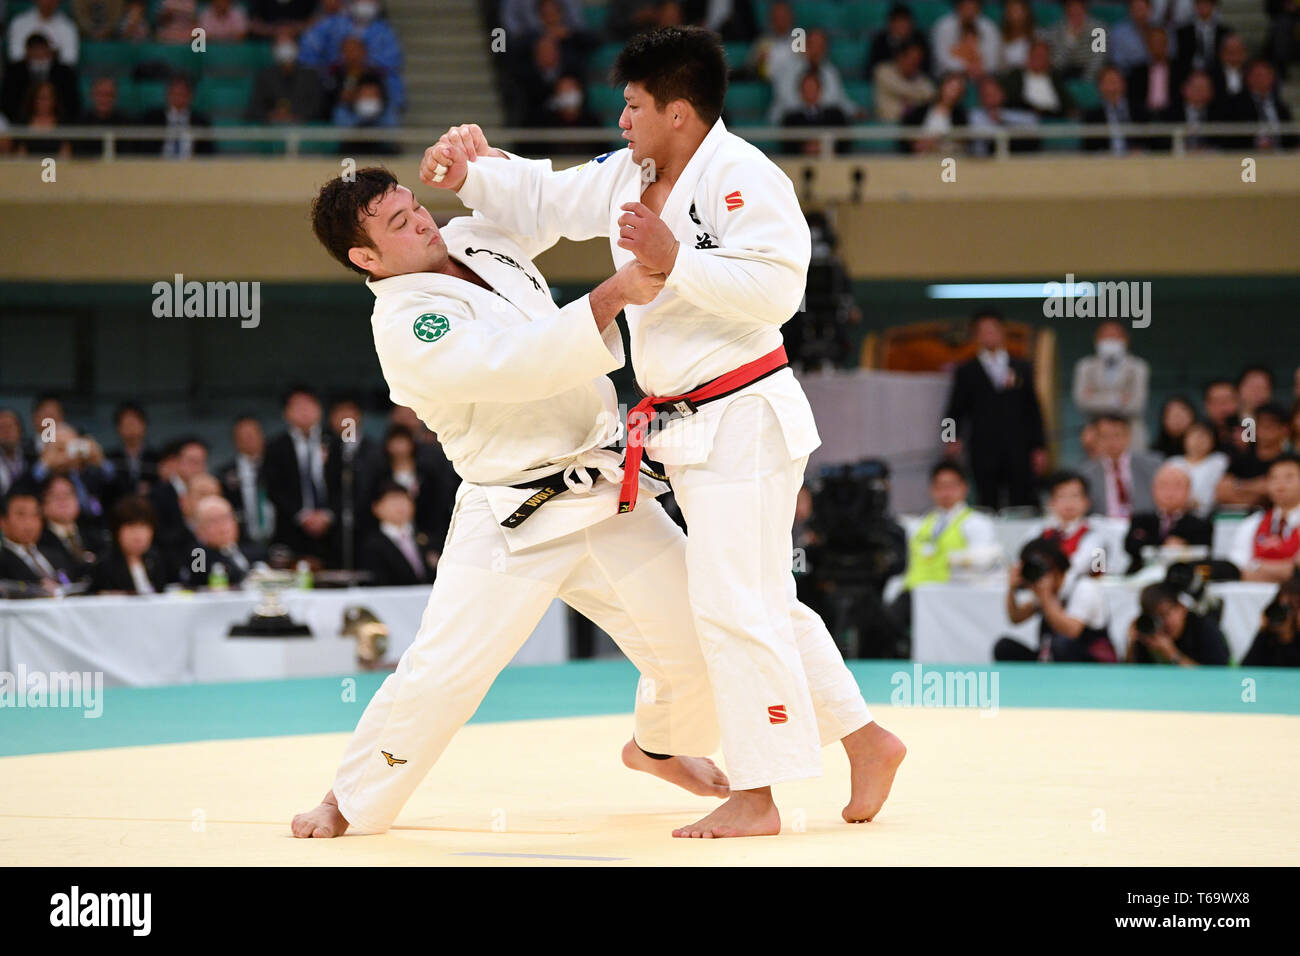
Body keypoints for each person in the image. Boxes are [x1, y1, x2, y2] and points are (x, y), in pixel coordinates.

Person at [422, 26, 905, 839]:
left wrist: (678, 260)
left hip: (744, 415)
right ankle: (866, 738)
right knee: (759, 597)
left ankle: (759, 790)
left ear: (680, 113)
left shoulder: (745, 178)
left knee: (731, 603)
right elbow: (545, 200)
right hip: (689, 428)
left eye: (634, 105)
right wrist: (472, 171)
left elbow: (780, 292)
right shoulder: (630, 174)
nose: (622, 118)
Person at [293, 166, 734, 839]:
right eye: (398, 224)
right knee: (445, 671)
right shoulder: (406, 323)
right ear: (366, 257)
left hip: (604, 490)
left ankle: (659, 746)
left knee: (701, 640)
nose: (421, 221)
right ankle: (348, 799)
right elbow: (514, 362)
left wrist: (479, 163)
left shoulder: (475, 237)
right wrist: (614, 293)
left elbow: (542, 206)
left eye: (416, 206)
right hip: (514, 513)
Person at [943, 308, 1048, 510]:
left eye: (993, 330)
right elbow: (953, 410)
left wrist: (1039, 447)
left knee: (1022, 498)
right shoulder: (966, 370)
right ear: (976, 336)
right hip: (983, 448)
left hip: (1018, 447)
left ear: (1002, 332)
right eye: (983, 331)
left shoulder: (1021, 367)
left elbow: (1033, 410)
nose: (988, 335)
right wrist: (950, 440)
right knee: (987, 500)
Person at [889, 461, 997, 632]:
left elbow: (982, 564)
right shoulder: (920, 524)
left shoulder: (976, 523)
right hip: (915, 593)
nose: (945, 492)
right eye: (940, 486)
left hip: (952, 595)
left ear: (964, 488)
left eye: (951, 486)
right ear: (932, 490)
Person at [996, 538, 1118, 662]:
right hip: (1052, 659)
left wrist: (1046, 597)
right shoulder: (1044, 590)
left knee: (1061, 644)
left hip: (1089, 662)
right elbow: (1015, 617)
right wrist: (1011, 588)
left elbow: (1072, 631)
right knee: (1004, 647)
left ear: (1053, 566)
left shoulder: (1084, 588)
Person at [264, 386, 337, 565]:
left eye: (309, 405)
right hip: (291, 528)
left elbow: (344, 485)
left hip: (333, 530)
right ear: (286, 413)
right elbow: (273, 487)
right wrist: (302, 515)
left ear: (319, 409)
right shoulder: (275, 447)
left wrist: (327, 515)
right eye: (297, 407)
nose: (304, 411)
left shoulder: (336, 442)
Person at [1023, 469, 1116, 581]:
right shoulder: (1038, 532)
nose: (1069, 502)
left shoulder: (1096, 535)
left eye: (1075, 496)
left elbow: (1079, 567)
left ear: (1086, 502)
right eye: (1062, 496)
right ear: (1051, 502)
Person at [1123, 462, 1213, 572]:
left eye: (1177, 486)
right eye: (1163, 485)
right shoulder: (1140, 520)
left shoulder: (1201, 524)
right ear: (1153, 489)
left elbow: (1204, 552)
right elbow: (1131, 547)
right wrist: (1165, 546)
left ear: (1189, 490)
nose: (1170, 492)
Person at [1226, 454, 1300, 582]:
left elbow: (1295, 572)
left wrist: (1258, 566)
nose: (1280, 484)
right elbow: (1237, 568)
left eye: (1288, 478)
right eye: (1274, 478)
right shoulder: (1252, 523)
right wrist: (1285, 571)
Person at [1080, 413, 1163, 519]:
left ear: (1128, 436)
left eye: (1117, 435)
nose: (1112, 441)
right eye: (1105, 436)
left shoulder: (1152, 465)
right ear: (1097, 439)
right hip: (1103, 527)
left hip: (1143, 525)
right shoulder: (1086, 472)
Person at [1126, 582, 1229, 664]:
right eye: (1156, 618)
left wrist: (1172, 654)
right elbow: (1132, 677)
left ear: (1182, 608)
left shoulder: (1205, 630)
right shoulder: (1150, 633)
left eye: (1166, 614)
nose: (1164, 623)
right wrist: (1132, 644)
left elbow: (1214, 679)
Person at [357, 480, 434, 585]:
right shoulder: (371, 545)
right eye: (393, 502)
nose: (400, 507)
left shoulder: (427, 538)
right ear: (376, 508)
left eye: (404, 500)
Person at [1215, 401, 1290, 509]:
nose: (1264, 430)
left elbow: (1278, 492)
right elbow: (1222, 491)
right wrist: (1256, 492)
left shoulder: (1288, 461)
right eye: (1261, 424)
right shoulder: (1241, 457)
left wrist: (1238, 486)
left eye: (1270, 426)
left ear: (1284, 429)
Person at [90, 495, 171, 594]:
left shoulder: (156, 559)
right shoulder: (105, 565)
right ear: (117, 531)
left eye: (143, 527)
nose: (138, 535)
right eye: (131, 527)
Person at [182, 494, 264, 588]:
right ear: (199, 529)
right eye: (214, 521)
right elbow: (198, 580)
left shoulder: (249, 547)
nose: (222, 526)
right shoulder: (198, 554)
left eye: (226, 518)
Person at [0, 488, 63, 594]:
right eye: (21, 514)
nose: (29, 523)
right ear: (3, 522)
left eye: (35, 514)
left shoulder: (55, 554)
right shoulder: (3, 561)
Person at [1241, 571, 1300, 666]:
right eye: (1283, 608)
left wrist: (1288, 639)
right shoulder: (1269, 636)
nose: (1288, 615)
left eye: (1293, 608)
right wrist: (1262, 632)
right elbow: (1247, 669)